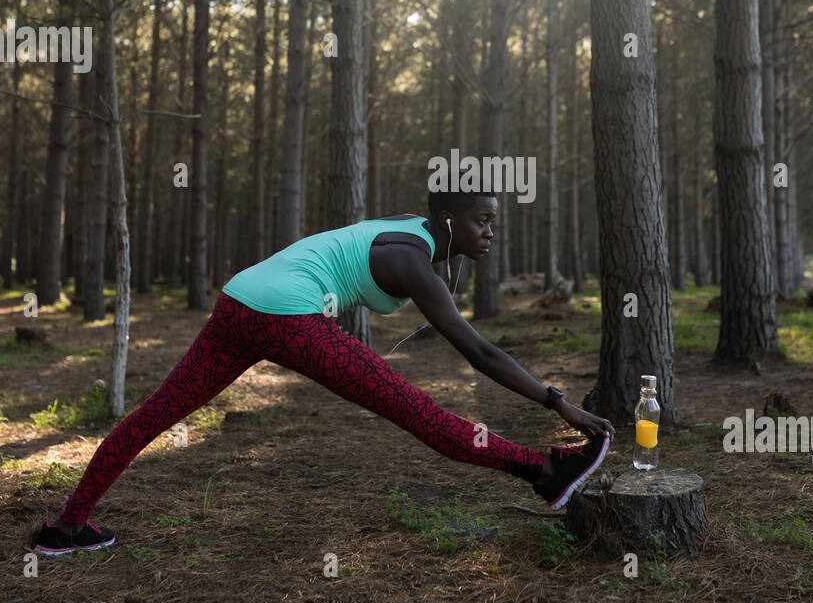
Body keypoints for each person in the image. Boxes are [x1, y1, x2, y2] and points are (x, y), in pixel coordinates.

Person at [31, 190, 615, 555]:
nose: (490, 233)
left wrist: (451, 256)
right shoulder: (414, 261)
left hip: (238, 300)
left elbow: (399, 256)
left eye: (493, 222)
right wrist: (557, 402)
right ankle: (544, 469)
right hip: (288, 316)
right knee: (418, 412)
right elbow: (481, 354)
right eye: (482, 221)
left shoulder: (411, 231)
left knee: (156, 414)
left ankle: (68, 528)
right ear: (449, 218)